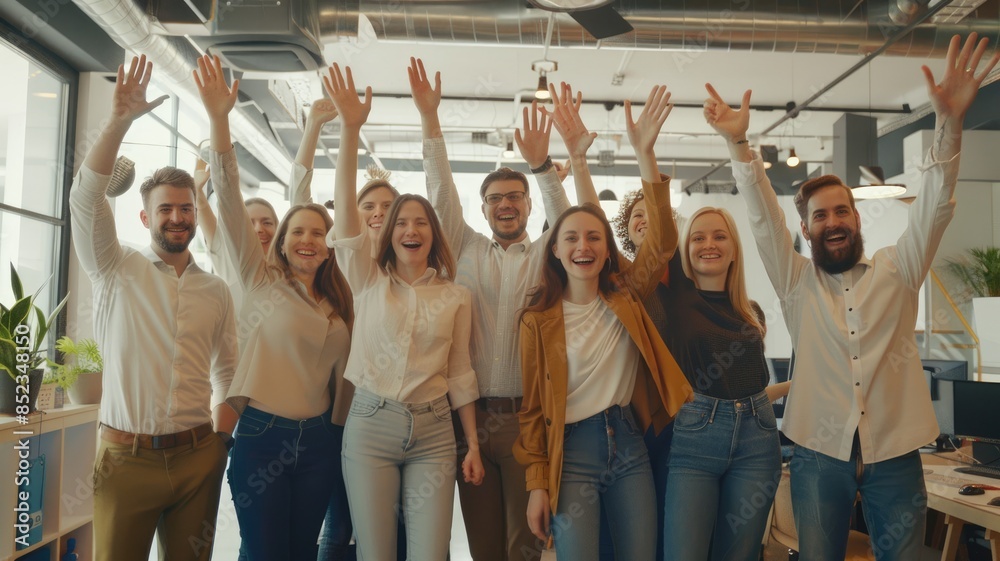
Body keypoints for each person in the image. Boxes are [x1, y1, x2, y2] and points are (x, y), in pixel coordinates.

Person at [703, 33, 999, 561]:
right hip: (819, 456)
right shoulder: (796, 282)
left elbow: (934, 205)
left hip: (896, 453)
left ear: (856, 218)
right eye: (820, 216)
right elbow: (763, 219)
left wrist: (950, 124)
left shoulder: (899, 269)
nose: (833, 221)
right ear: (806, 229)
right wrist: (739, 146)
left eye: (842, 211)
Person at [513, 81, 694, 561]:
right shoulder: (536, 321)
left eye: (594, 237)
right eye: (571, 238)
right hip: (571, 451)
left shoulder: (626, 295)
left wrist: (645, 153)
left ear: (607, 250)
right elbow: (532, 410)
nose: (584, 246)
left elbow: (663, 241)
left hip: (629, 441)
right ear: (555, 250)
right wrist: (537, 484)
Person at [410, 57, 581, 561]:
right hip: (469, 419)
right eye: (494, 199)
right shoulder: (463, 247)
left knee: (524, 546)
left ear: (528, 205)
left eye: (514, 197)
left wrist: (542, 167)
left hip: (529, 420)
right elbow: (440, 190)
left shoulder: (549, 253)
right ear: (483, 208)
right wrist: (429, 118)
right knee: (484, 546)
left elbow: (567, 218)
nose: (505, 204)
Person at [69, 54, 238, 561]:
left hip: (198, 457)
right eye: (165, 208)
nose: (177, 217)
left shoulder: (216, 290)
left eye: (186, 208)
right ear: (145, 217)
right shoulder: (113, 267)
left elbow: (228, 370)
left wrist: (220, 442)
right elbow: (85, 199)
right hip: (126, 459)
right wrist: (119, 121)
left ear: (195, 214)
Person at [192, 53, 355, 561]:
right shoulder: (260, 279)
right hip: (263, 434)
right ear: (281, 242)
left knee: (302, 551)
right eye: (297, 231)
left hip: (321, 439)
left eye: (319, 233)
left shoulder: (338, 299)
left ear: (330, 244)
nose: (308, 239)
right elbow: (229, 197)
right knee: (264, 552)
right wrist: (219, 120)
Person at [324, 61, 485, 560]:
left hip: (435, 430)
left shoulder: (455, 296)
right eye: (401, 223)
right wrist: (350, 129)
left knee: (431, 553)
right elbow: (345, 213)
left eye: (421, 222)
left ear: (434, 233)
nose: (411, 230)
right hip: (370, 424)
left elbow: (460, 372)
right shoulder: (366, 278)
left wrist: (473, 443)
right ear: (388, 233)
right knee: (375, 552)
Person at [193, 98, 337, 306]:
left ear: (281, 236)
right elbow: (227, 197)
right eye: (249, 223)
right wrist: (198, 192)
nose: (259, 229)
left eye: (267, 222)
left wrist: (313, 126)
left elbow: (300, 197)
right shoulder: (231, 255)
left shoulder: (292, 271)